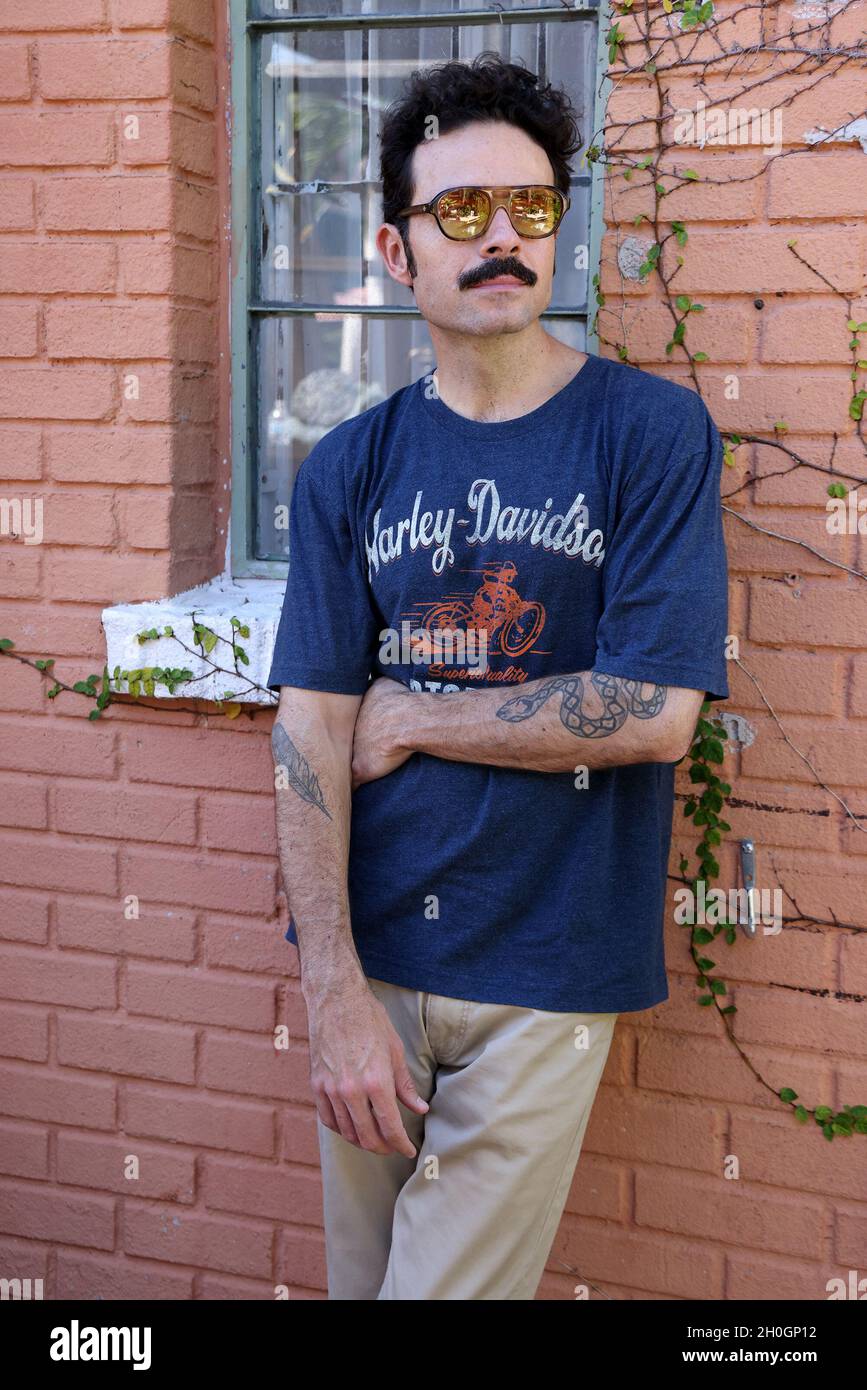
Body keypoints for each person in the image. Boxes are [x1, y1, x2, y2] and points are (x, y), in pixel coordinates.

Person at [267, 51, 730, 1301]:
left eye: (531, 207)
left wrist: (416, 710)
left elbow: (652, 711)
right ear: (394, 246)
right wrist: (332, 991)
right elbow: (309, 726)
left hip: (548, 964)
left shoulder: (650, 433)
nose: (502, 238)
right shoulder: (346, 467)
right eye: (460, 211)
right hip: (374, 962)